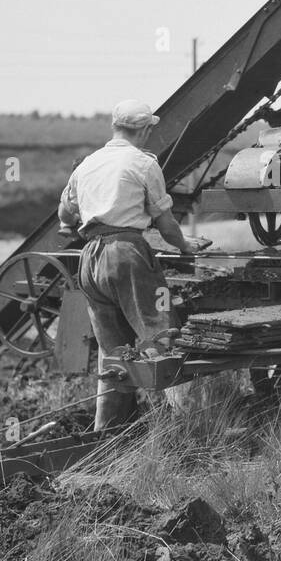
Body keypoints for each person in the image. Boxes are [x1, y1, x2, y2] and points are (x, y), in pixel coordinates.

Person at [58, 100, 203, 430]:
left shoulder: (87, 165)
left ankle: (107, 435)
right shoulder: (143, 163)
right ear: (144, 130)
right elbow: (165, 225)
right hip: (126, 253)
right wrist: (185, 246)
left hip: (90, 259)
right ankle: (188, 431)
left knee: (114, 355)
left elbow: (65, 215)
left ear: (115, 127)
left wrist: (80, 223)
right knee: (164, 338)